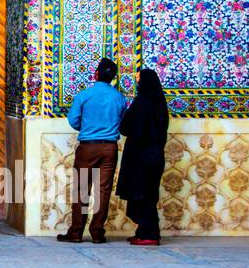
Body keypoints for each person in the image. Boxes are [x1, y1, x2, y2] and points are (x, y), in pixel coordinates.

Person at [57, 57, 127, 244]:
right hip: (110, 147)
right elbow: (123, 120)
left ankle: (76, 232)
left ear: (96, 74)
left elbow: (73, 121)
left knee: (81, 189)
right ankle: (97, 232)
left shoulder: (84, 95)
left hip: (88, 146)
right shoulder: (119, 97)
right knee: (103, 190)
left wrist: (88, 128)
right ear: (113, 77)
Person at [116, 68, 170, 246]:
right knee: (148, 193)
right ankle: (143, 231)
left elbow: (126, 127)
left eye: (138, 79)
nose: (137, 82)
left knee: (141, 193)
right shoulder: (160, 103)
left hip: (140, 156)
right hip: (155, 155)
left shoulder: (142, 103)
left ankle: (150, 234)